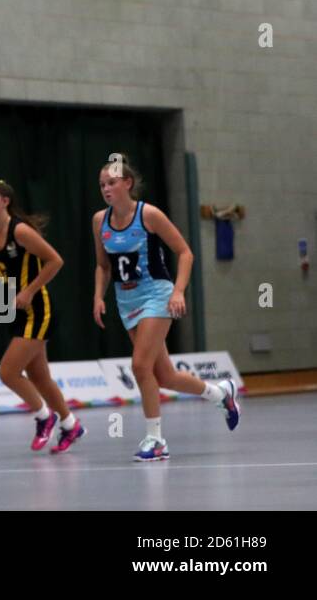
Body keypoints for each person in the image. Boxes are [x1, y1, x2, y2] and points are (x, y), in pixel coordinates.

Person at [92, 154, 239, 461]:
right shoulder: (99, 221)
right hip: (126, 300)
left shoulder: (149, 215)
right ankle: (221, 393)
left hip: (156, 295)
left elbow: (185, 253)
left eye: (112, 182)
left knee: (140, 366)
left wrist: (178, 292)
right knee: (166, 376)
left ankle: (155, 440)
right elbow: (103, 266)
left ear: (128, 183)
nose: (106, 188)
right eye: (102, 184)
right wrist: (98, 296)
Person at [0, 179, 84, 453]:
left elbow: (55, 260)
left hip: (37, 310)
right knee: (40, 376)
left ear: (5, 201)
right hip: (14, 312)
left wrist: (29, 291)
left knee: (7, 372)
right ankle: (70, 424)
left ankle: (45, 416)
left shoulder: (20, 231)